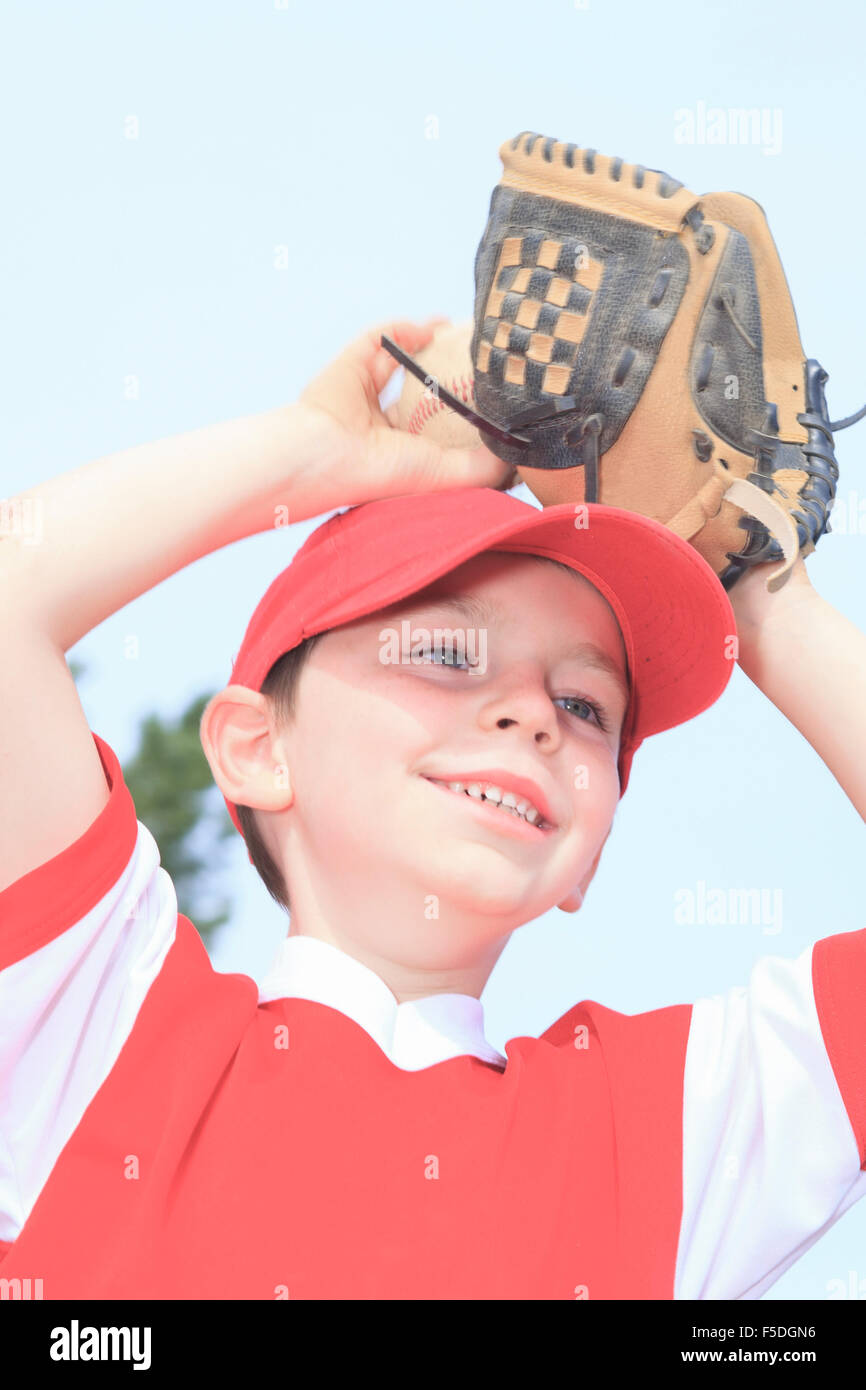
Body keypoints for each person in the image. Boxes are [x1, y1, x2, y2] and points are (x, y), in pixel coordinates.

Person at [0, 318, 864, 1300]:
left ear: (591, 851)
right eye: (446, 655)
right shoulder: (105, 1036)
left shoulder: (659, 1132)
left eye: (585, 707)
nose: (530, 713)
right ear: (255, 746)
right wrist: (313, 454)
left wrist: (759, 594)